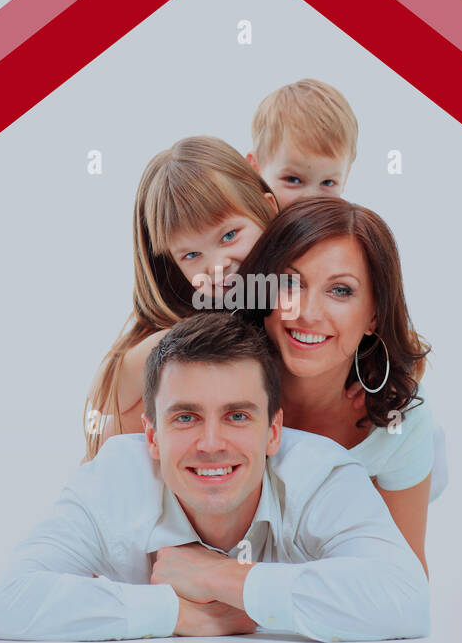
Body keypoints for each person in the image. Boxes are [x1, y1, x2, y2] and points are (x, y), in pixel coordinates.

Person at [0, 312, 430, 643]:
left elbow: (408, 600)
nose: (211, 443)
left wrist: (223, 577)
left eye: (238, 415)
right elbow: (10, 601)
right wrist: (172, 613)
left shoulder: (320, 475)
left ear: (273, 432)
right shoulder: (115, 477)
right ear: (152, 436)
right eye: (186, 417)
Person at [240, 197, 441, 575]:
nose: (307, 312)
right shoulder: (215, 380)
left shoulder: (401, 419)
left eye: (341, 291)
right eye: (289, 282)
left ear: (375, 316)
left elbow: (405, 583)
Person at [83, 137, 277, 460]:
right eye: (191, 254)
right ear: (173, 265)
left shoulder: (293, 286)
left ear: (268, 208)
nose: (216, 267)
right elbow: (106, 395)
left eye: (229, 235)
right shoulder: (185, 323)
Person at [246, 79, 358, 208]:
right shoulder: (246, 225)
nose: (311, 201)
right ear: (255, 169)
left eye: (327, 183)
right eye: (293, 180)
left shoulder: (348, 226)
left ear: (345, 179)